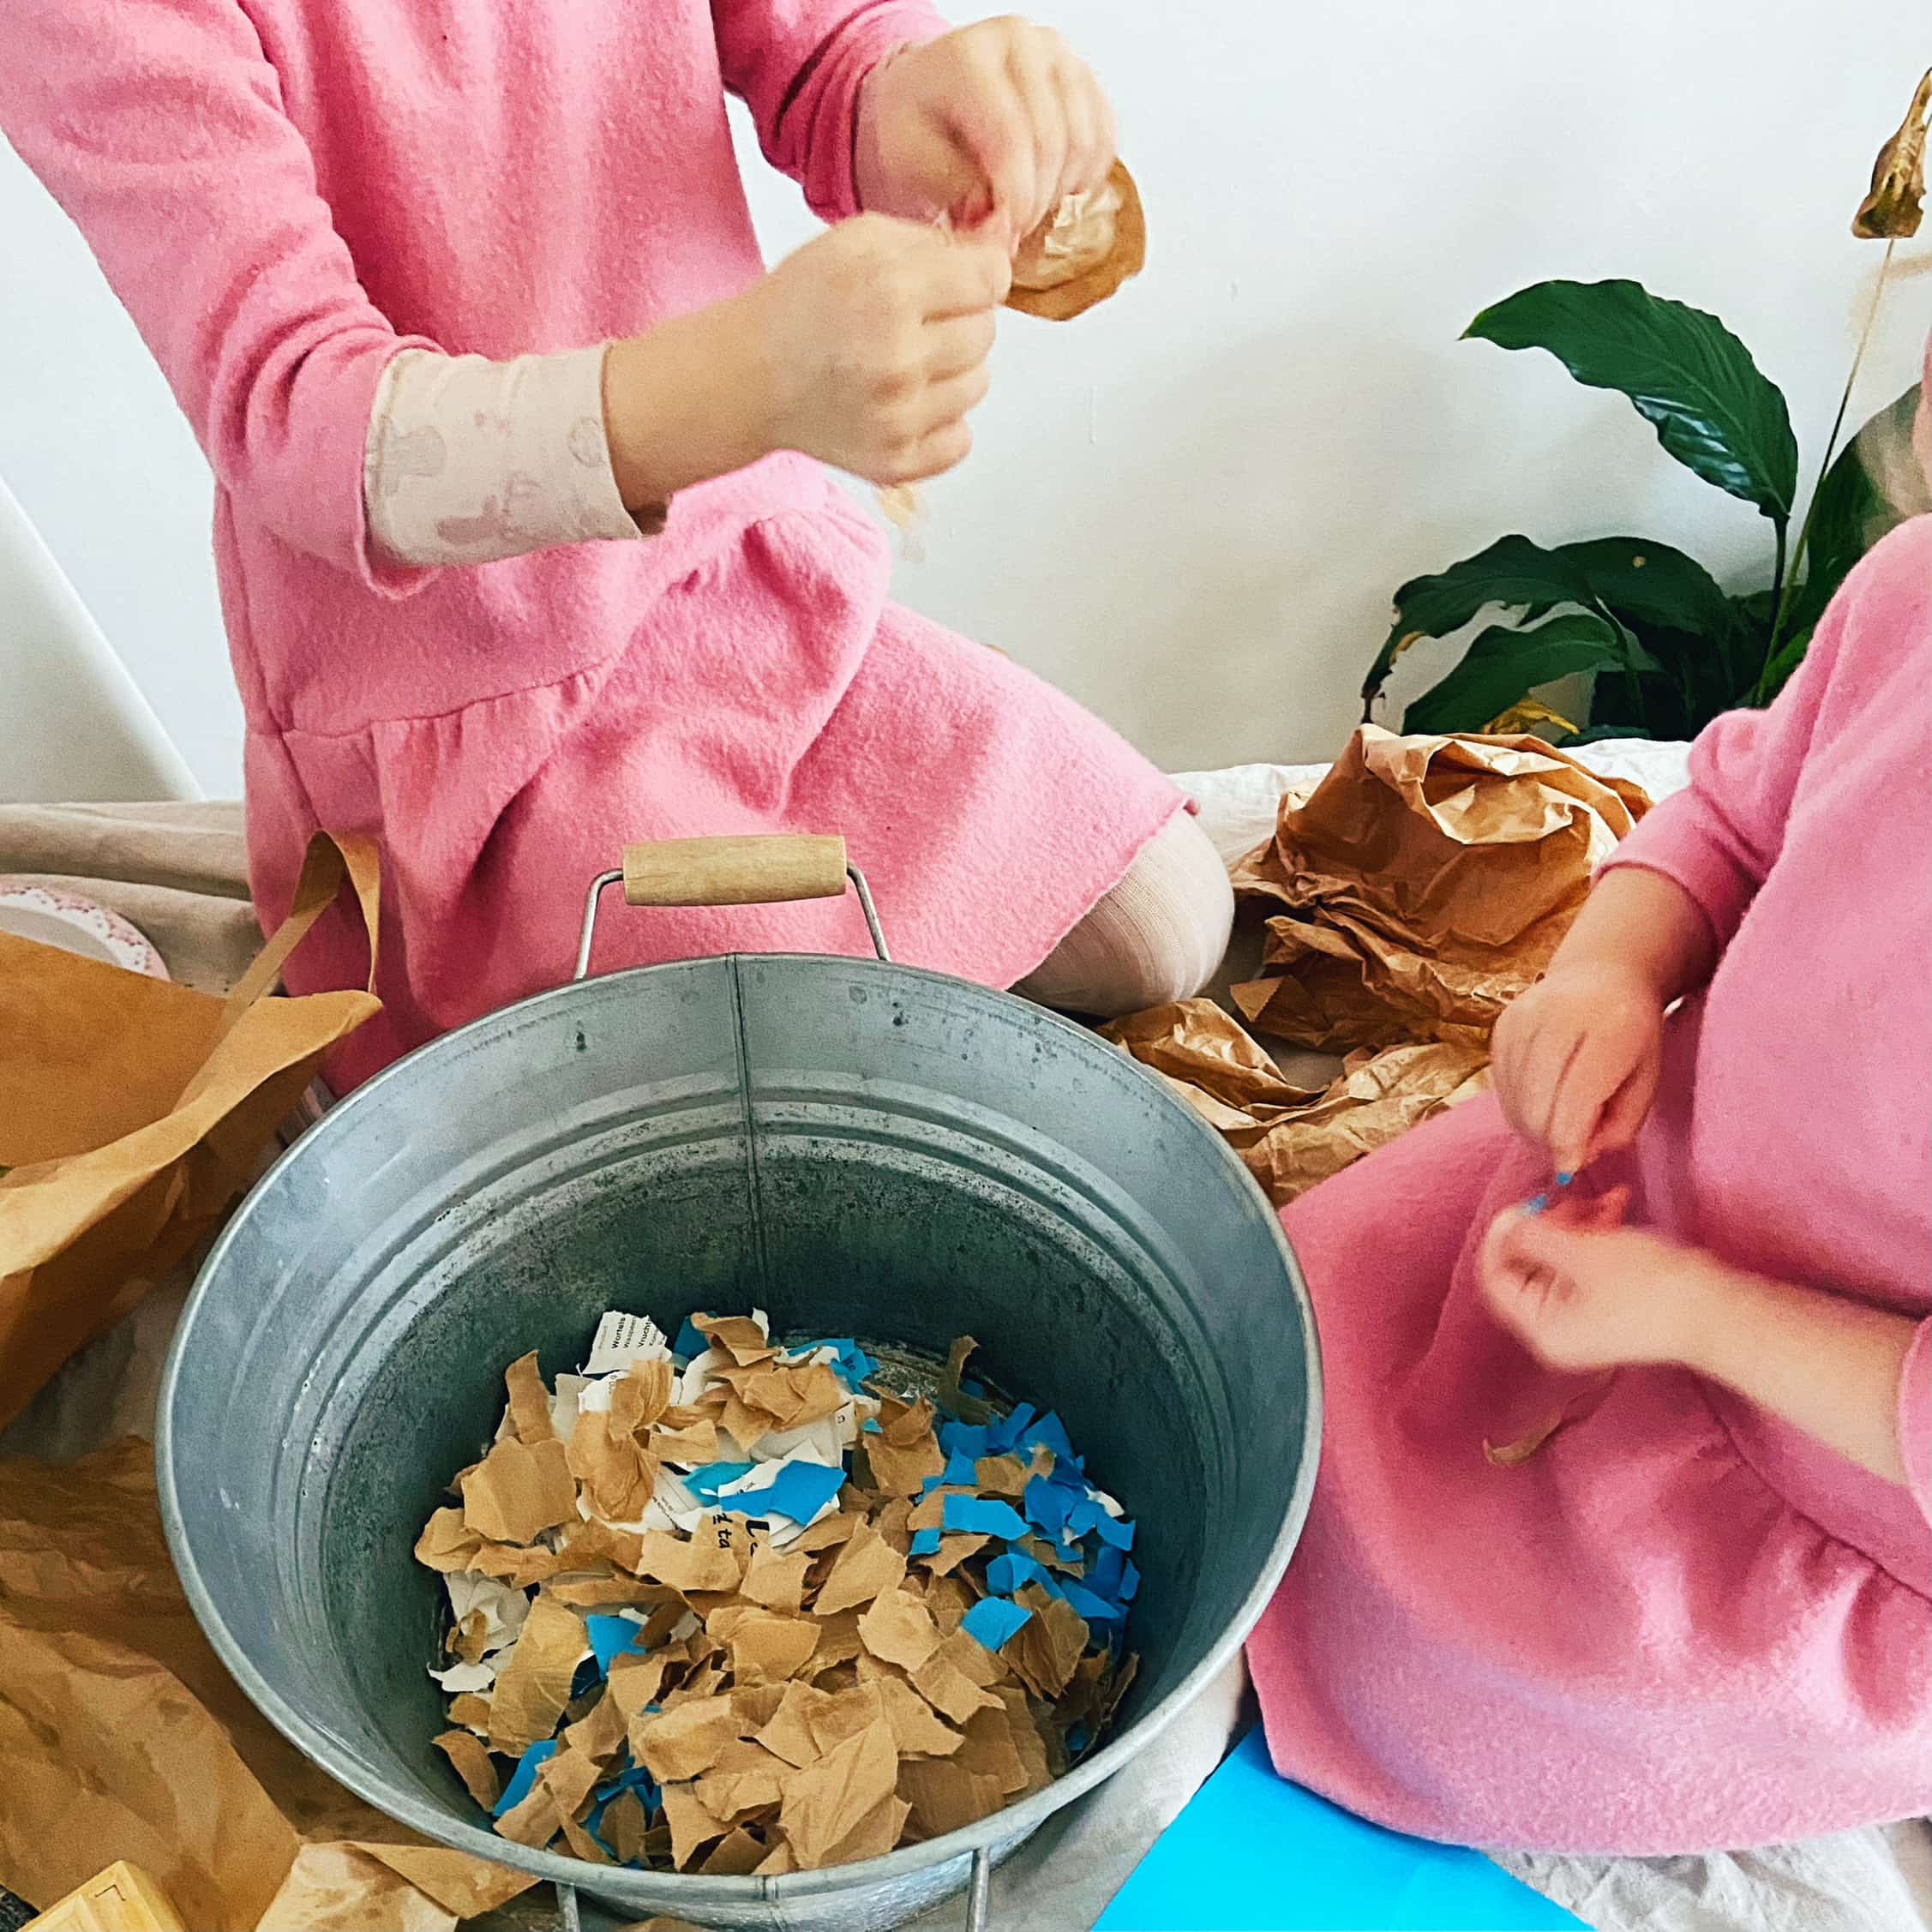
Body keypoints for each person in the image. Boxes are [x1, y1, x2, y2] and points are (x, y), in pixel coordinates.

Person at [0, 3, 1231, 1087]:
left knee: (1169, 914)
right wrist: (745, 382)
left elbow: (824, 48)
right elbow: (303, 424)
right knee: (828, 1076)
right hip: (473, 737)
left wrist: (924, 97)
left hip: (743, 597)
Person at [1245, 475, 1931, 1850]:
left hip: (1831, 1468)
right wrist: (1608, 973)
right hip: (1627, 1187)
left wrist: (1685, 1311)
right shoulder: (1911, 591)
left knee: (1457, 1677)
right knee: (1278, 1310)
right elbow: (1731, 818)